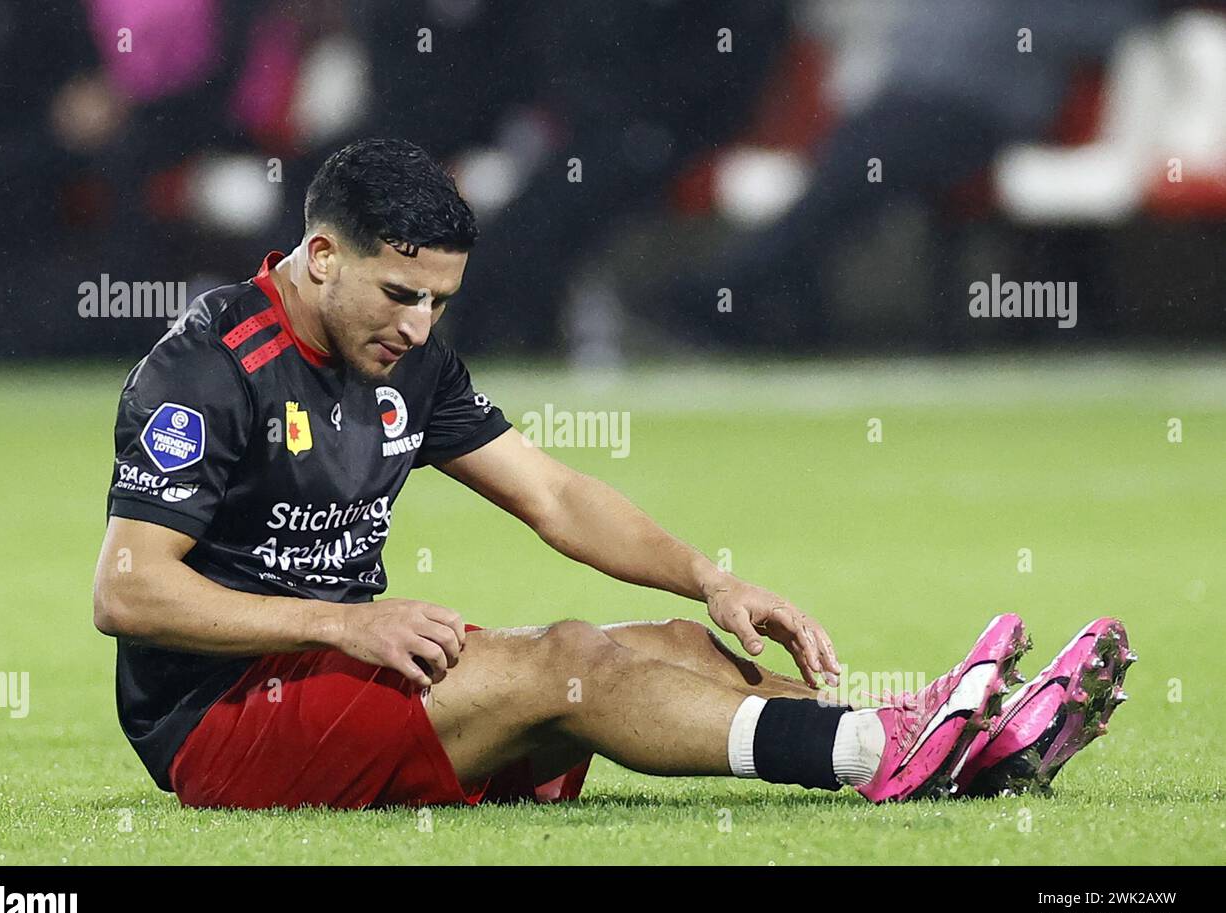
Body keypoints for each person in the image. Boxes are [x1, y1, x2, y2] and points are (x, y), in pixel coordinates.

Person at [92, 138, 1132, 808]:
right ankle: (877, 752)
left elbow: (553, 495)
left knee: (676, 641)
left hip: (345, 678)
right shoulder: (209, 366)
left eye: (440, 303)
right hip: (223, 724)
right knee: (566, 662)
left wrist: (708, 577)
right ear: (321, 256)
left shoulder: (406, 358)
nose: (418, 325)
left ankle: (927, 732)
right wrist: (339, 619)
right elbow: (127, 588)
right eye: (401, 292)